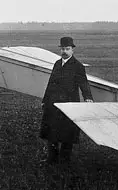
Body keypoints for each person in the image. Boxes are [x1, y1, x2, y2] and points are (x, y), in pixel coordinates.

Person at [40, 36, 93, 164]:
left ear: (72, 50)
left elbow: (84, 84)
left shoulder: (78, 66)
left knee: (67, 133)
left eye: (67, 49)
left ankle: (64, 161)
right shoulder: (57, 64)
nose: (64, 51)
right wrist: (45, 99)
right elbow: (51, 83)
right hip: (53, 104)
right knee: (51, 132)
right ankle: (51, 159)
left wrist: (88, 98)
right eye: (62, 49)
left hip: (69, 105)